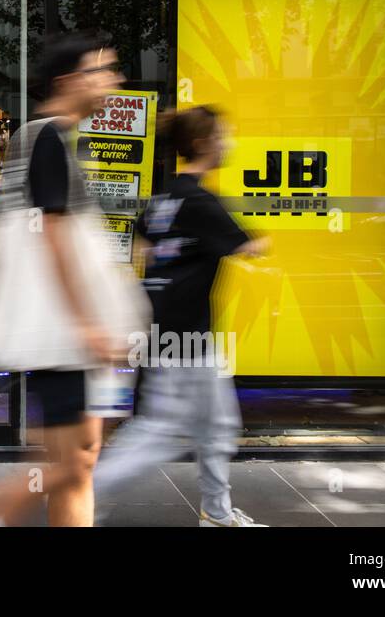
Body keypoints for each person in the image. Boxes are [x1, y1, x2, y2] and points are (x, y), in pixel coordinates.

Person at [0, 34, 129, 527]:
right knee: (70, 462)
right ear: (69, 80)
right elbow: (55, 238)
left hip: (65, 333)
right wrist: (88, 321)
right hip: (62, 332)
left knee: (82, 459)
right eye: (103, 71)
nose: (113, 81)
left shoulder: (53, 137)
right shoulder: (46, 137)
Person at [91, 105, 270, 527]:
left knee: (217, 426)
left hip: (169, 330)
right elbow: (248, 246)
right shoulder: (202, 201)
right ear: (203, 144)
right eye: (223, 136)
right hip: (186, 336)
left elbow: (145, 243)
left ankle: (218, 513)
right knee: (159, 433)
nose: (229, 143)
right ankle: (84, 495)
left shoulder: (165, 196)